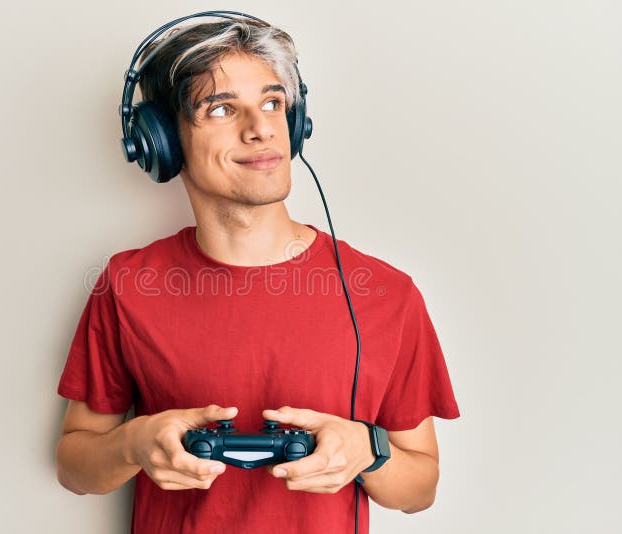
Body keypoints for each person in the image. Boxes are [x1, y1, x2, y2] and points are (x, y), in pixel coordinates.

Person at [55, 15, 460, 534]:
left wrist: (368, 452)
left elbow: (420, 489)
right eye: (222, 108)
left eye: (272, 103)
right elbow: (75, 467)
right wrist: (134, 443)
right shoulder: (128, 284)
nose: (261, 128)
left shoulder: (386, 293)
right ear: (162, 141)